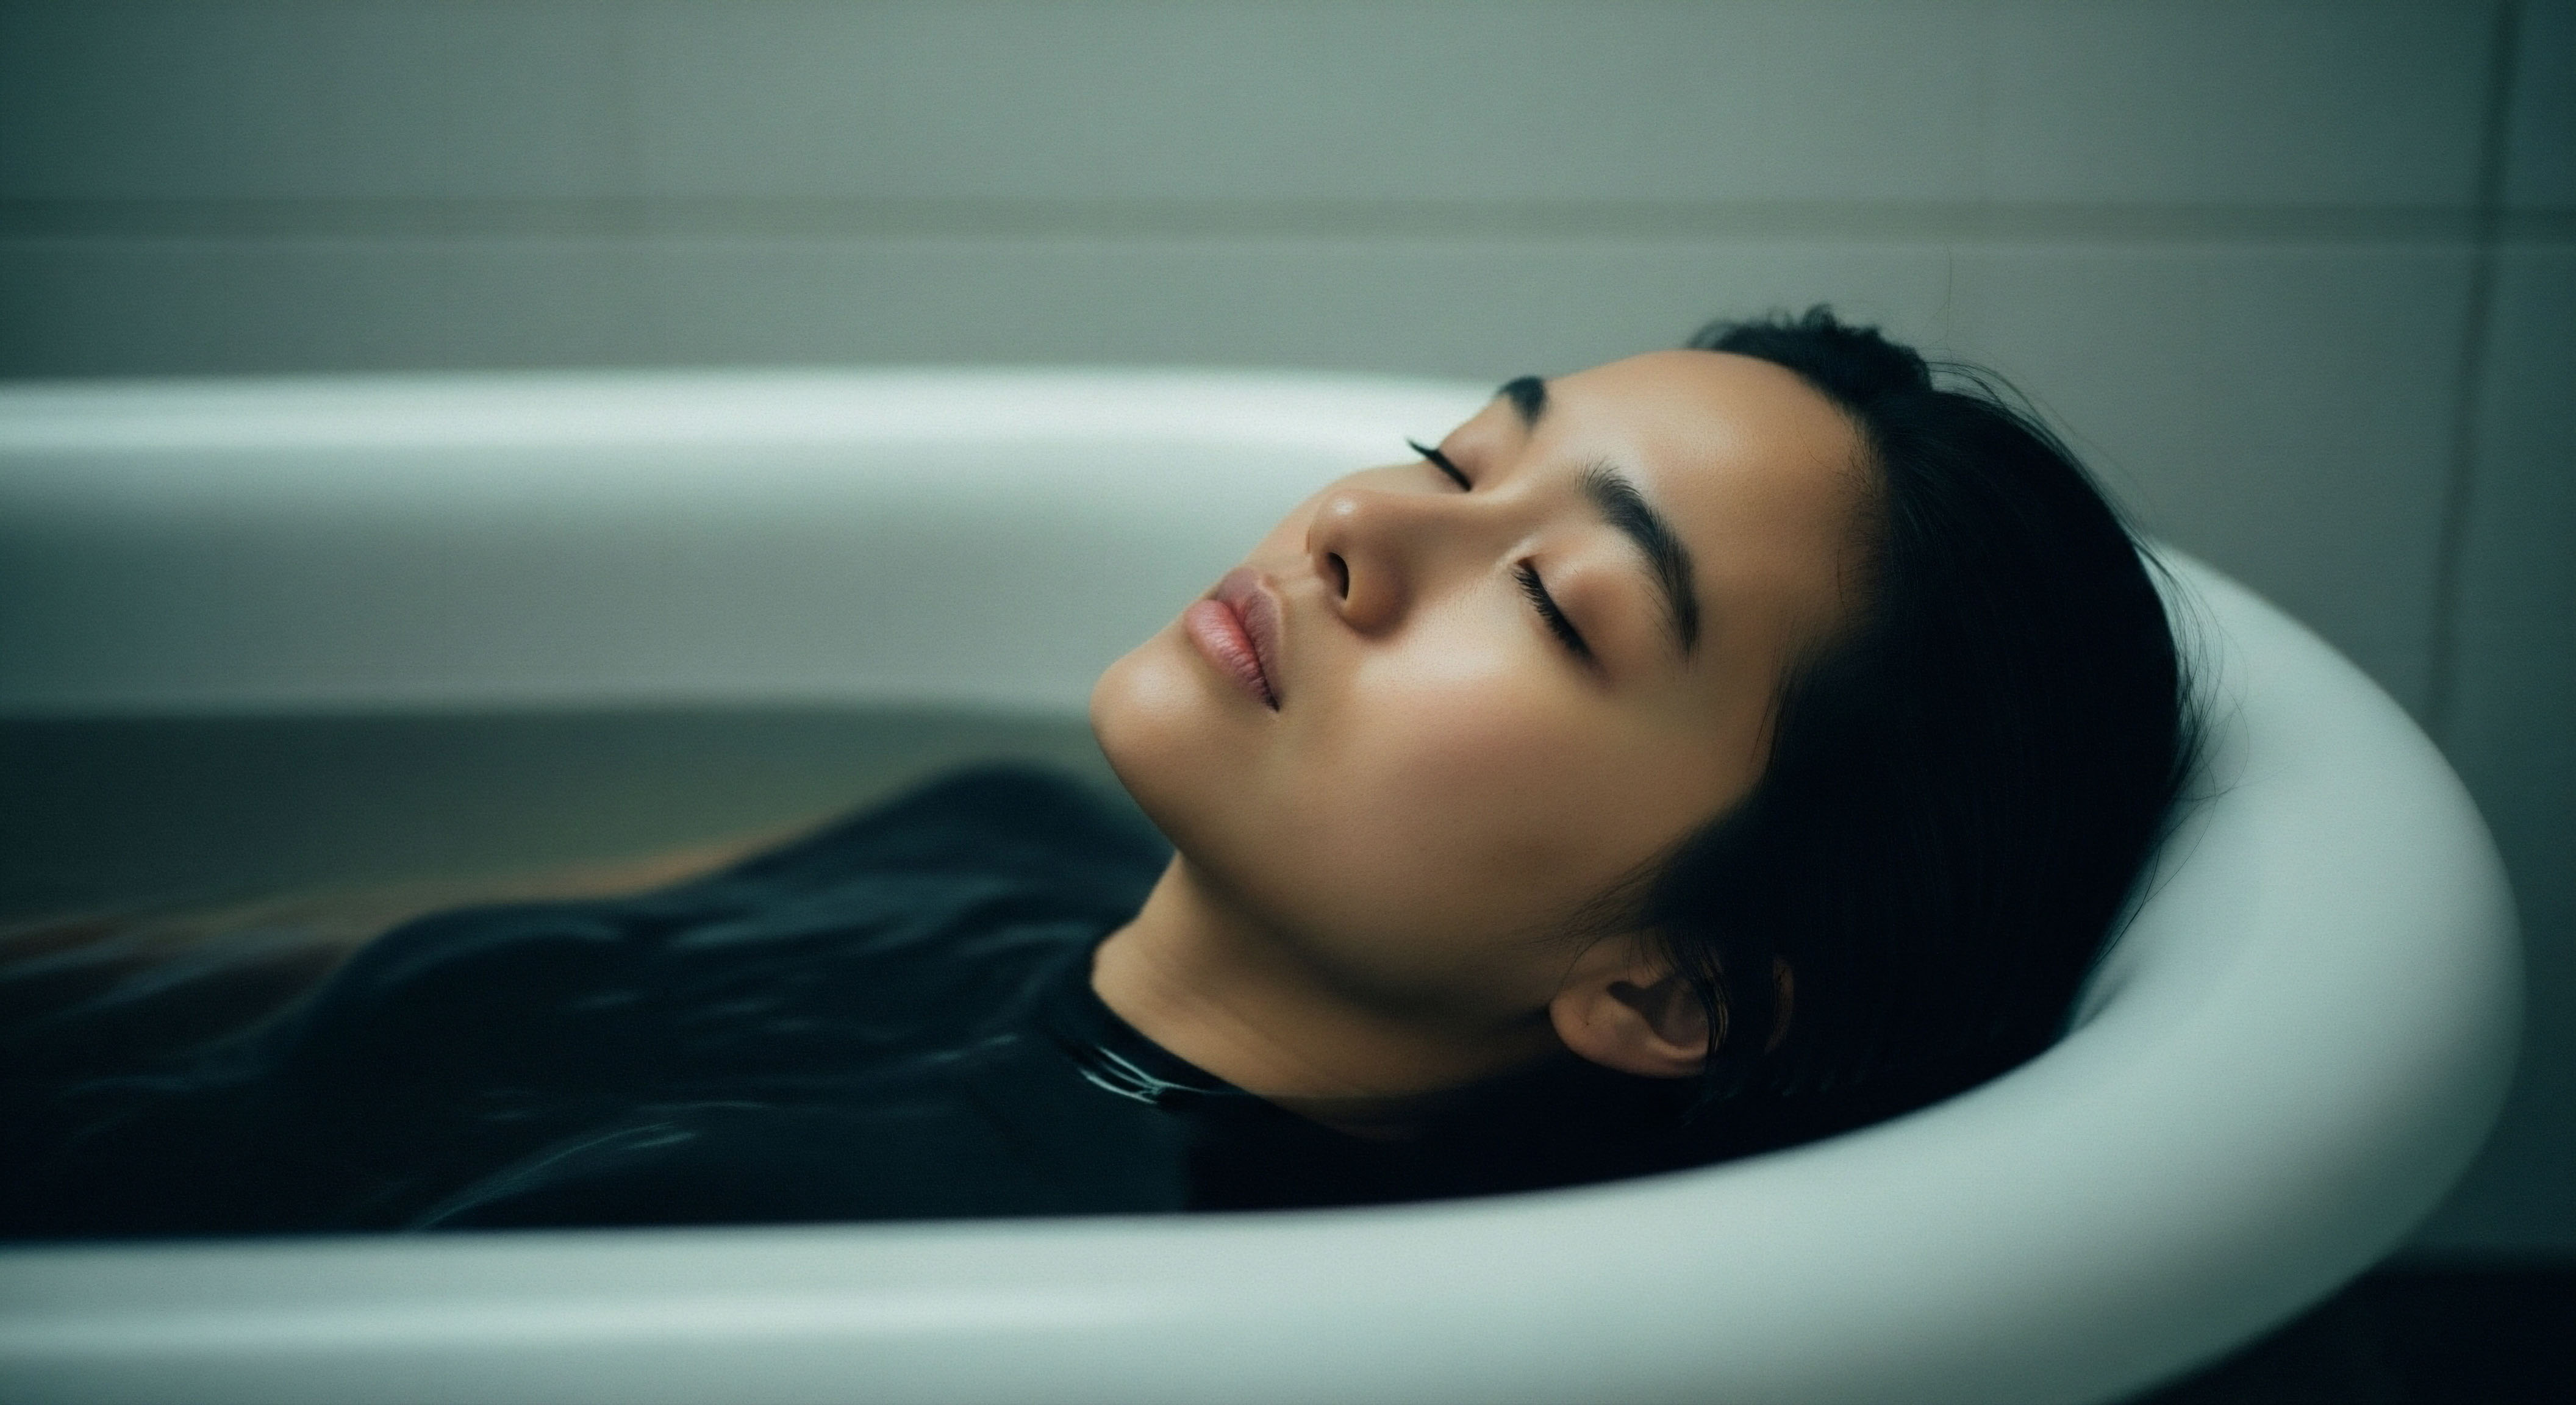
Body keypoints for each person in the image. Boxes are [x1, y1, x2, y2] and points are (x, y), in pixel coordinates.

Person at [0, 308, 2195, 1235]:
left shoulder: (965, 1296)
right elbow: (182, 978)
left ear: (1675, 987)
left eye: (1552, 606)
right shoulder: (1002, 830)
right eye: (1458, 450)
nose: (1358, 521)